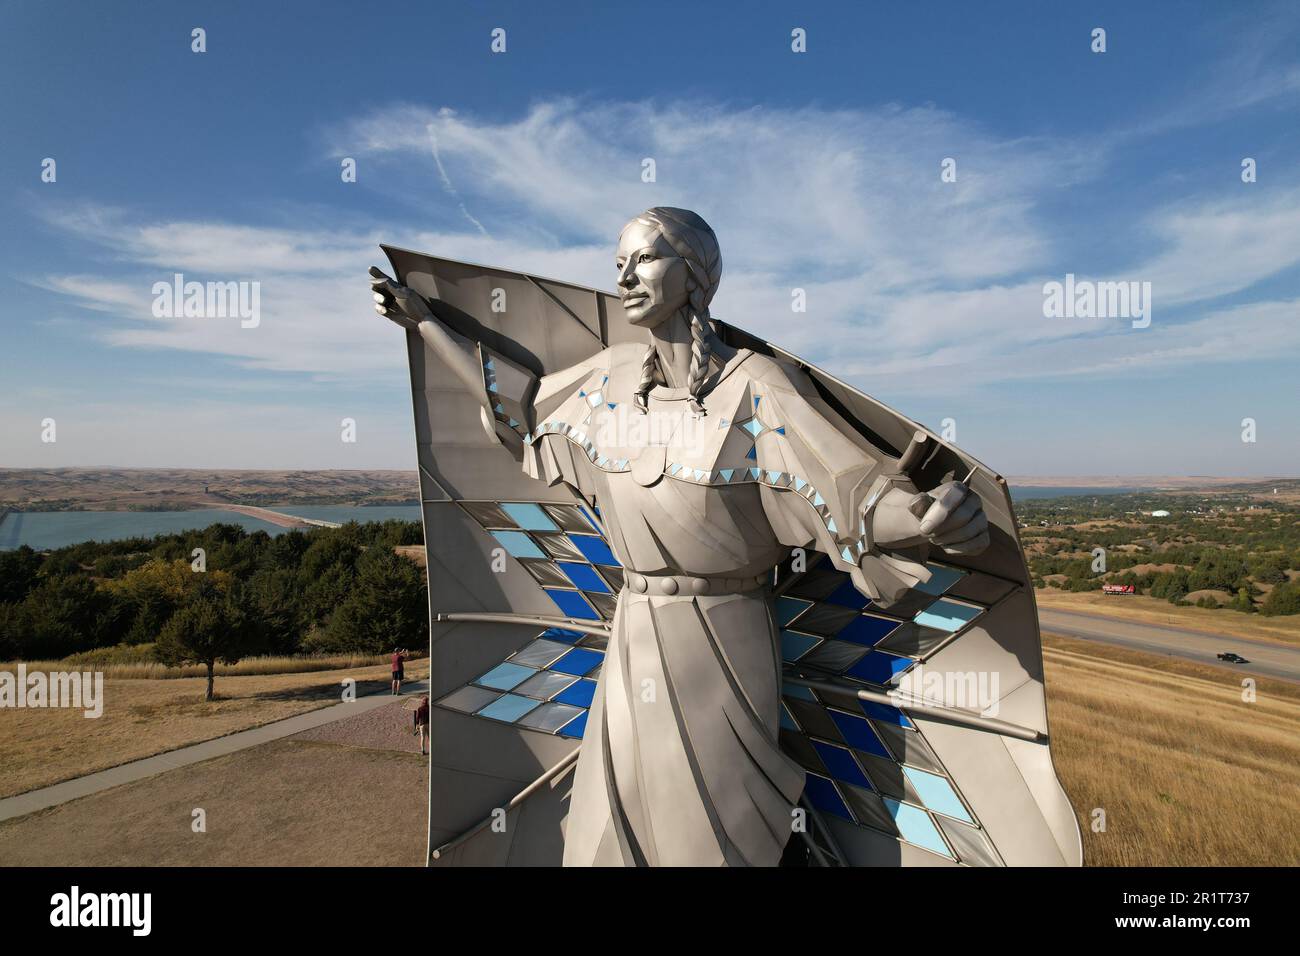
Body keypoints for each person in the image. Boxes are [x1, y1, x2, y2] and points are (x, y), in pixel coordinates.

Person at [370, 207, 990, 866]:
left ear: (693, 272)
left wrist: (927, 520)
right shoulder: (607, 382)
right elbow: (521, 410)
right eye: (619, 264)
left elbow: (846, 489)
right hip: (634, 630)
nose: (624, 277)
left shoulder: (756, 387)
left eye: (644, 259)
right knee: (611, 816)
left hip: (725, 637)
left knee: (713, 826)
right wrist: (428, 325)